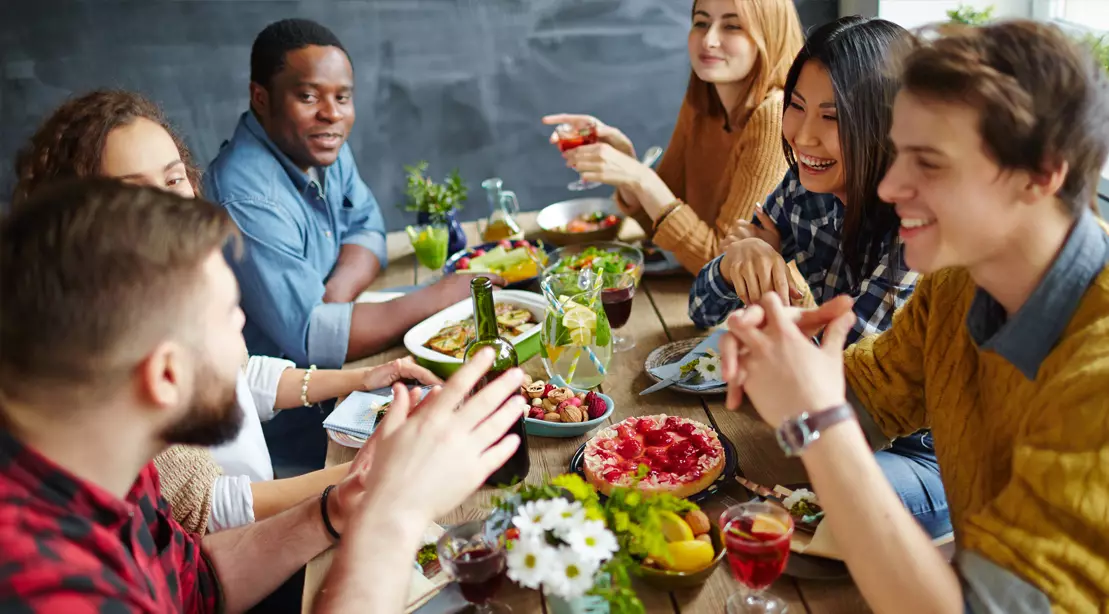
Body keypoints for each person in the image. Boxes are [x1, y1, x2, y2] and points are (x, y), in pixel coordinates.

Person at [719, 20, 1109, 612]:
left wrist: (817, 419)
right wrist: (781, 363)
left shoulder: (1097, 374)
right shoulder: (956, 282)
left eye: (928, 163)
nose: (892, 185)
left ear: (1041, 173)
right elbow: (867, 405)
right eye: (898, 154)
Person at [0, 178, 528, 613]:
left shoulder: (106, 465)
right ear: (165, 376)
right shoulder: (51, 587)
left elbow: (196, 585)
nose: (245, 329)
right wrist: (393, 515)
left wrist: (338, 509)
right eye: (229, 316)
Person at [11, 89, 441, 534]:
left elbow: (237, 376)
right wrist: (376, 472)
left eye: (174, 179)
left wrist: (360, 379)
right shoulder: (106, 339)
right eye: (136, 193)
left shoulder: (179, 285)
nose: (172, 205)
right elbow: (209, 508)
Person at [689, 16, 948, 539]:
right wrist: (741, 255)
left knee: (802, 503)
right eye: (797, 106)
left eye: (832, 117)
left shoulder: (917, 226)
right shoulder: (806, 186)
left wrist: (769, 305)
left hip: (923, 453)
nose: (803, 135)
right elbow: (703, 307)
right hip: (824, 425)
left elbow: (845, 396)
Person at [203, 17, 492, 371]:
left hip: (348, 340)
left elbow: (366, 228)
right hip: (293, 407)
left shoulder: (317, 144)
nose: (332, 114)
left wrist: (336, 296)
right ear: (261, 98)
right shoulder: (246, 198)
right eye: (308, 96)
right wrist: (440, 296)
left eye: (342, 97)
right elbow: (316, 339)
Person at [543, 0, 803, 273]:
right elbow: (664, 229)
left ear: (770, 35)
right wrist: (629, 172)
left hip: (775, 311)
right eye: (701, 23)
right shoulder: (702, 102)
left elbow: (725, 267)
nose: (709, 40)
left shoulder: (775, 117)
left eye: (732, 26)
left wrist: (640, 178)